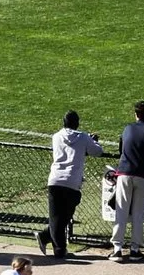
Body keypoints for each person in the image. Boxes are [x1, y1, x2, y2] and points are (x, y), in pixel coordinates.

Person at [37, 110, 100, 260]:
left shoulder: (56, 136)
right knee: (63, 216)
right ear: (77, 124)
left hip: (55, 179)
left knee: (58, 217)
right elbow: (97, 151)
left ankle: (46, 236)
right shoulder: (83, 137)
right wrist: (93, 141)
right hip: (72, 181)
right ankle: (59, 249)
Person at [111, 99, 144, 261]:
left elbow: (121, 149)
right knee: (139, 214)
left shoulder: (128, 128)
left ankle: (117, 249)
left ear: (136, 114)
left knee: (121, 211)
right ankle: (134, 249)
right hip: (142, 175)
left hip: (124, 173)